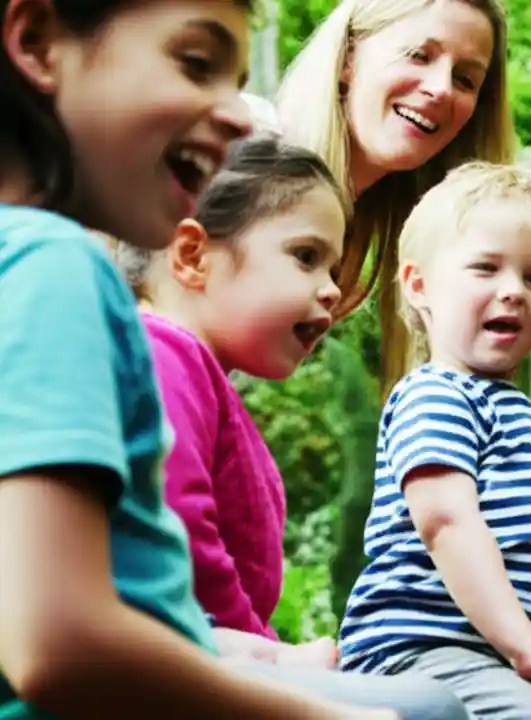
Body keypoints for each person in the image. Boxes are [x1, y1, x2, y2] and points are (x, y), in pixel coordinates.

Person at [0, 0, 394, 717]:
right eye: (194, 63)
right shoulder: (53, 270)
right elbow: (56, 646)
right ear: (36, 42)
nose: (241, 115)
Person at [117, 133, 470, 720]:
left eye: (332, 266)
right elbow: (176, 528)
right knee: (431, 708)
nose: (333, 289)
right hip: (180, 652)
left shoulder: (193, 370)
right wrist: (266, 659)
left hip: (204, 647)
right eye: (306, 257)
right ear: (192, 256)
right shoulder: (162, 353)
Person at [338, 161, 531, 719]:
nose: (514, 292)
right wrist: (528, 649)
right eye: (485, 268)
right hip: (421, 653)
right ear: (419, 286)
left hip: (488, 659)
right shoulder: (436, 395)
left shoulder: (507, 408)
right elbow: (446, 522)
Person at [275, 0, 517, 391]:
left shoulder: (361, 228)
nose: (440, 89)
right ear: (347, 58)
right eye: (419, 55)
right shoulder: (238, 167)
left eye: (466, 80)